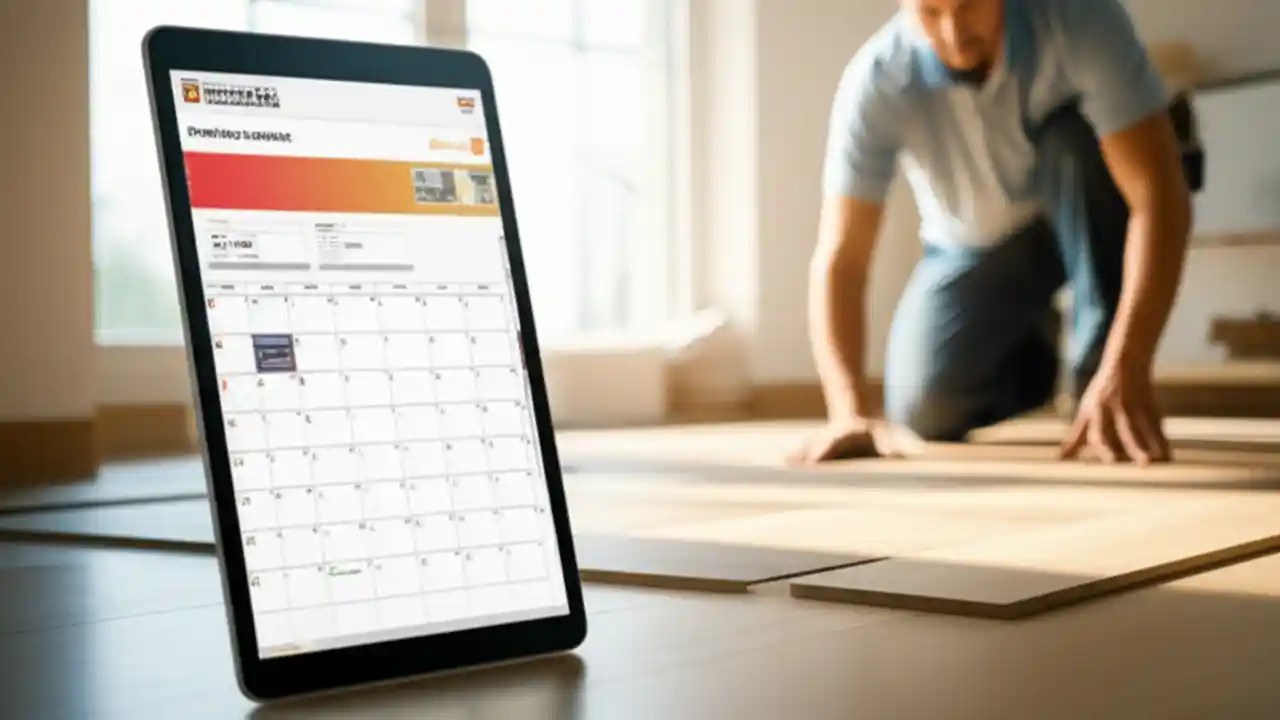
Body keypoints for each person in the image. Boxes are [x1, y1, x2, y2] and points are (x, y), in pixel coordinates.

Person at [792, 0, 1193, 466]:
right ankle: (1037, 354)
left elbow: (1158, 198)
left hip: (1086, 210)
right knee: (924, 410)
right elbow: (842, 256)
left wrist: (1131, 359)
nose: (954, 32)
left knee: (1072, 142)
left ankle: (1097, 371)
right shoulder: (877, 79)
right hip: (973, 248)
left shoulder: (1083, 20)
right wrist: (848, 411)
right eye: (931, 12)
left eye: (969, 5)